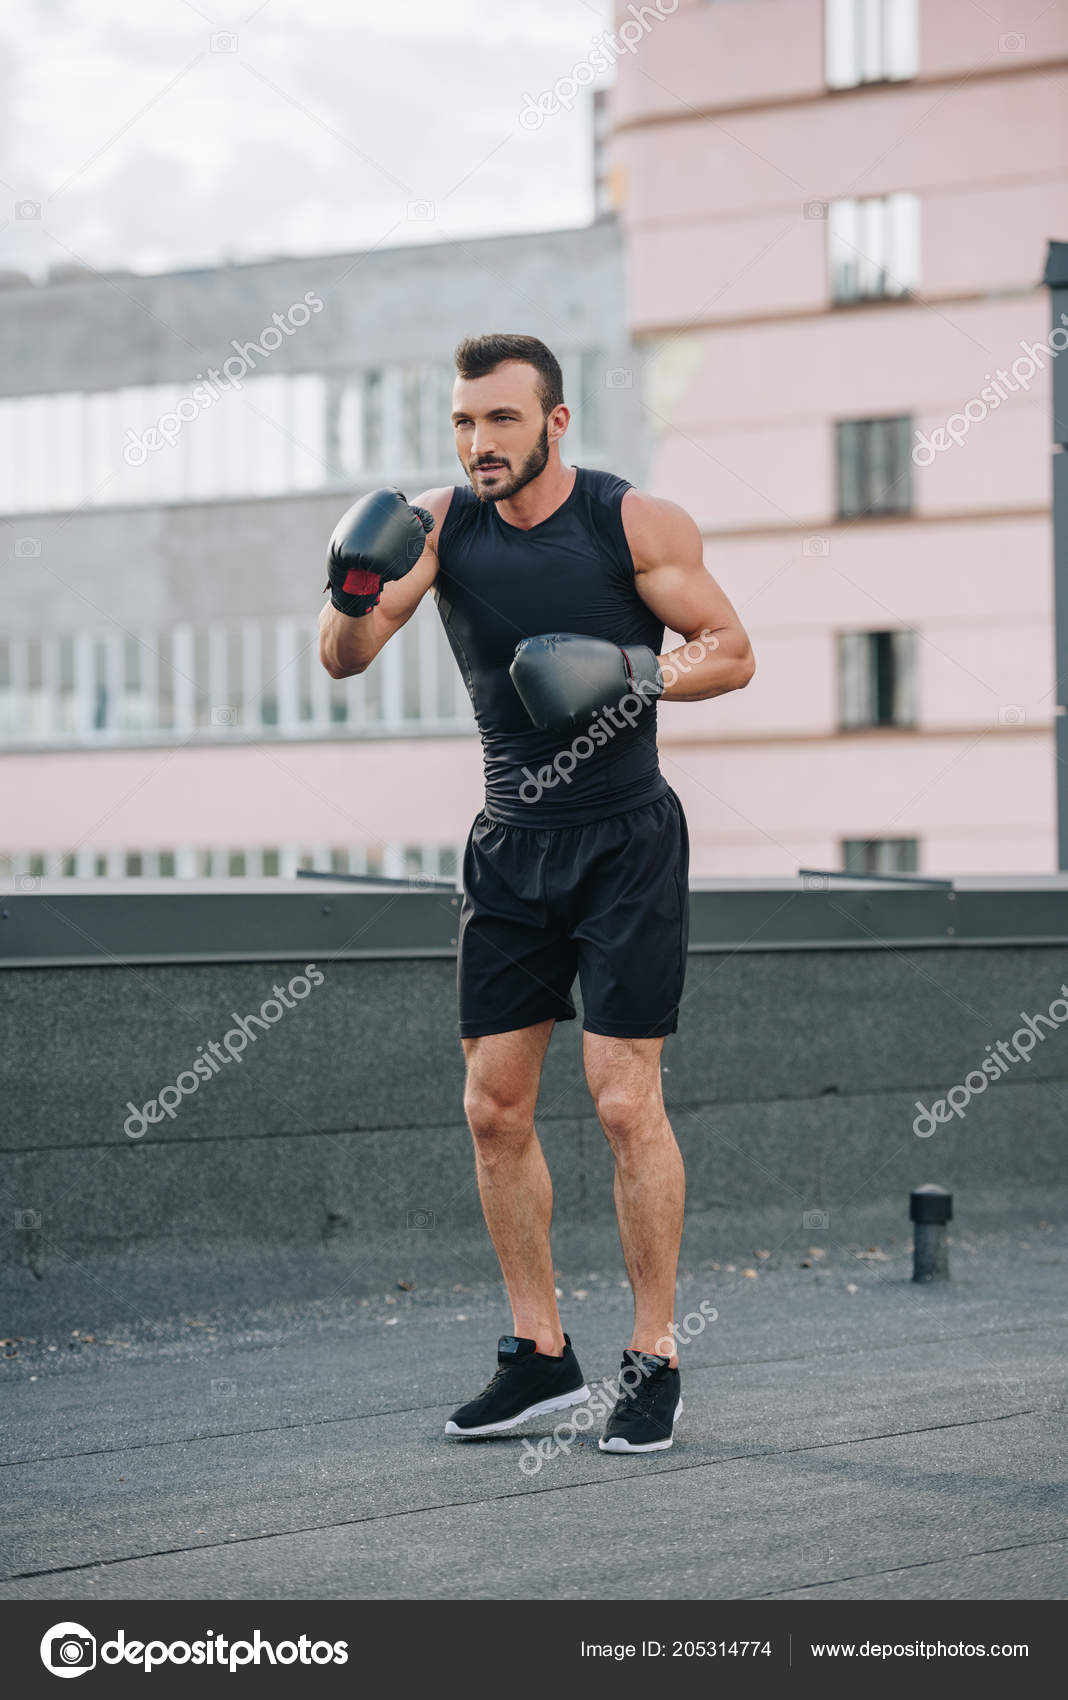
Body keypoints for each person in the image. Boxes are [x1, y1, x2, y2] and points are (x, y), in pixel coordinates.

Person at [319, 334, 754, 1453]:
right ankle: (540, 1354)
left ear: (556, 422)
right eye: (465, 422)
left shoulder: (631, 522)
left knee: (621, 1098)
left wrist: (634, 669)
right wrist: (352, 585)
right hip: (511, 841)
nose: (479, 444)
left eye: (502, 421)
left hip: (625, 841)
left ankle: (653, 1354)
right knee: (493, 1105)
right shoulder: (438, 524)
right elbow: (345, 655)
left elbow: (733, 649)